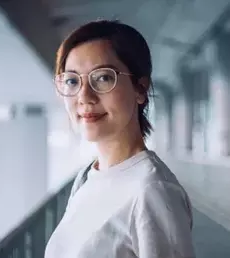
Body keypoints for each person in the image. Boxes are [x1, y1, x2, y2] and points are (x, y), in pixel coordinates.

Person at [45, 20, 195, 258]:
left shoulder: (152, 190)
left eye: (103, 78)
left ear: (140, 89)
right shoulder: (88, 176)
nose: (84, 96)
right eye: (72, 80)